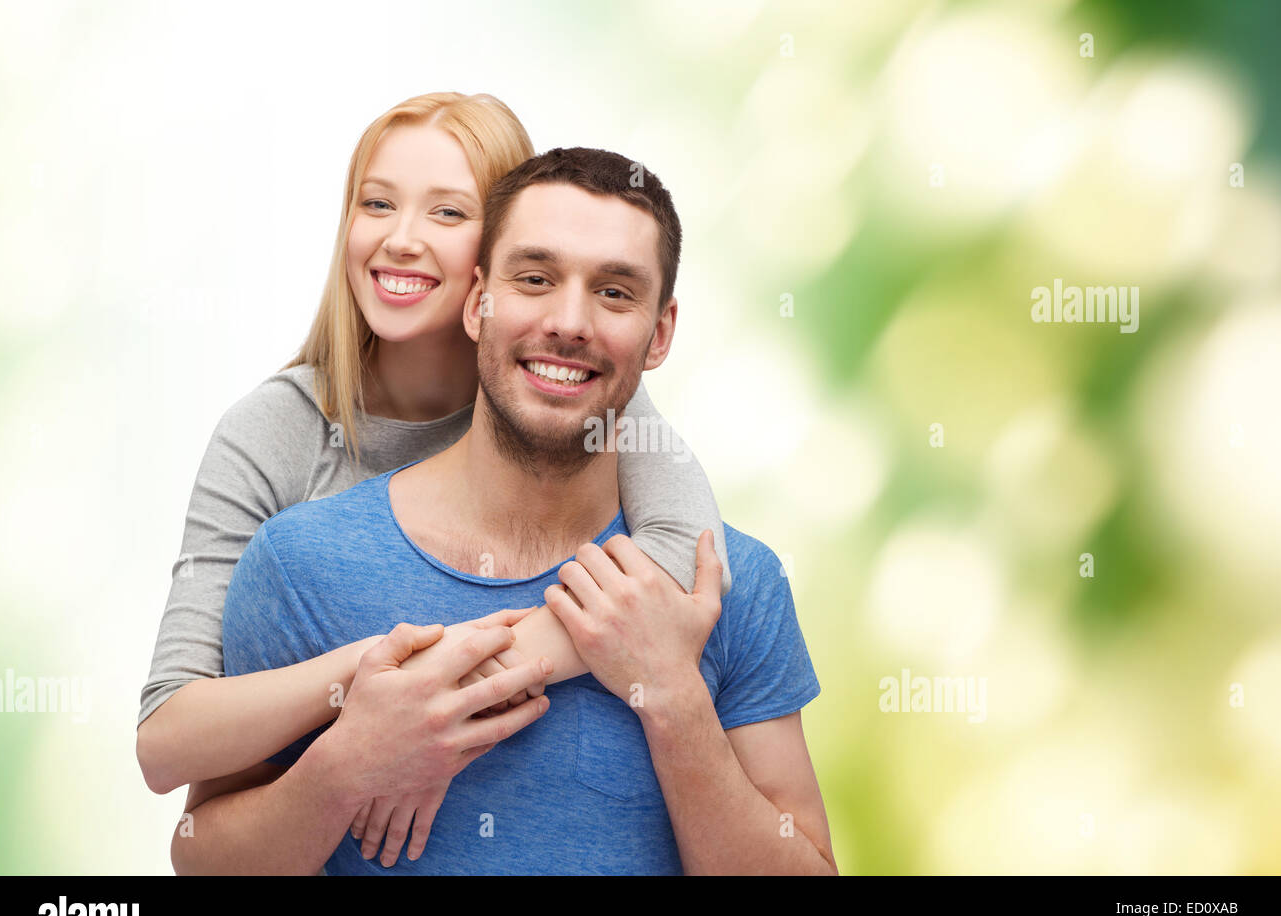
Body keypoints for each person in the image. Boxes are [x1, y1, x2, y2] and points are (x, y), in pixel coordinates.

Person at [173, 147, 834, 875]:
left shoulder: (731, 585)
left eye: (615, 293)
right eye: (534, 279)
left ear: (662, 332)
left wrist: (672, 694)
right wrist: (345, 767)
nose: (570, 322)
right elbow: (202, 858)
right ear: (476, 301)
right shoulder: (297, 564)